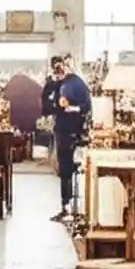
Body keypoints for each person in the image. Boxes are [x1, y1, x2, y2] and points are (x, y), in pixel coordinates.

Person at [51, 56, 91, 221]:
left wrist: (71, 108)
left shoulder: (72, 84)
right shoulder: (69, 83)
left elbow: (80, 106)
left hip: (69, 133)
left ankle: (67, 207)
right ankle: (67, 206)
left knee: (66, 171)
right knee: (66, 171)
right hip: (66, 132)